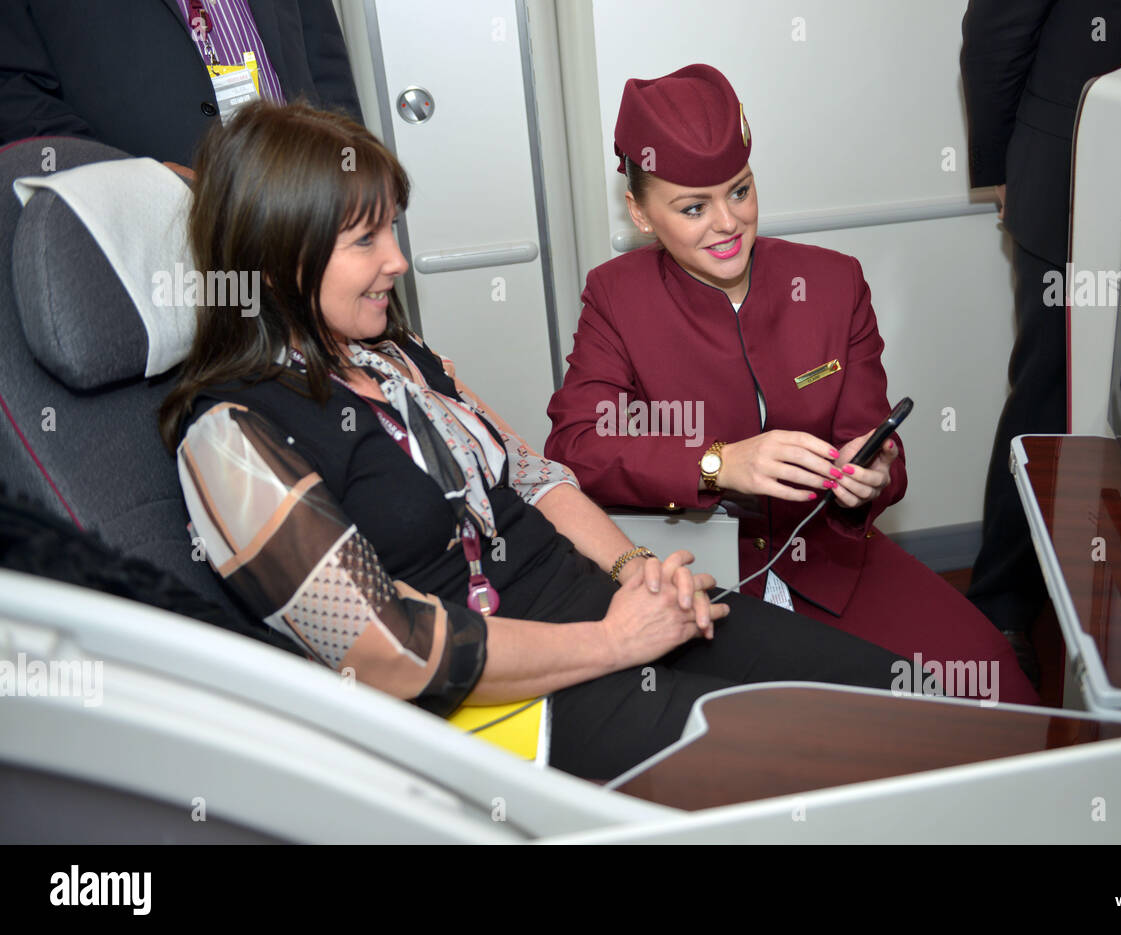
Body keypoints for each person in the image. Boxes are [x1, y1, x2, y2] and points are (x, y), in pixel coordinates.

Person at [159, 101, 918, 782]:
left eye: (392, 226)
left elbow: (529, 474)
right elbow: (391, 650)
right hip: (510, 698)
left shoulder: (394, 356)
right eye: (366, 240)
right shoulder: (229, 438)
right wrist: (616, 642)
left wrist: (637, 571)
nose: (396, 258)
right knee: (819, 764)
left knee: (903, 704)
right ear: (280, 260)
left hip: (602, 607)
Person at [544, 64, 1037, 706]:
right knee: (790, 739)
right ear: (639, 212)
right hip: (697, 576)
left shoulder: (832, 284)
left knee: (995, 685)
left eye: (740, 191)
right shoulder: (616, 298)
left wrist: (871, 478)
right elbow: (576, 448)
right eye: (694, 207)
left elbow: (879, 447)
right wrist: (721, 464)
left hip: (829, 555)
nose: (728, 223)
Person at [960, 0, 1121, 681]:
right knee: (1049, 393)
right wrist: (1005, 168)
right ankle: (1000, 602)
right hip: (1070, 170)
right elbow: (996, 30)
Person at [0, 0, 361, 168]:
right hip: (165, 243)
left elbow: (323, 56)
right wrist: (126, 184)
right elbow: (17, 90)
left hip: (309, 208)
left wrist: (357, 177)